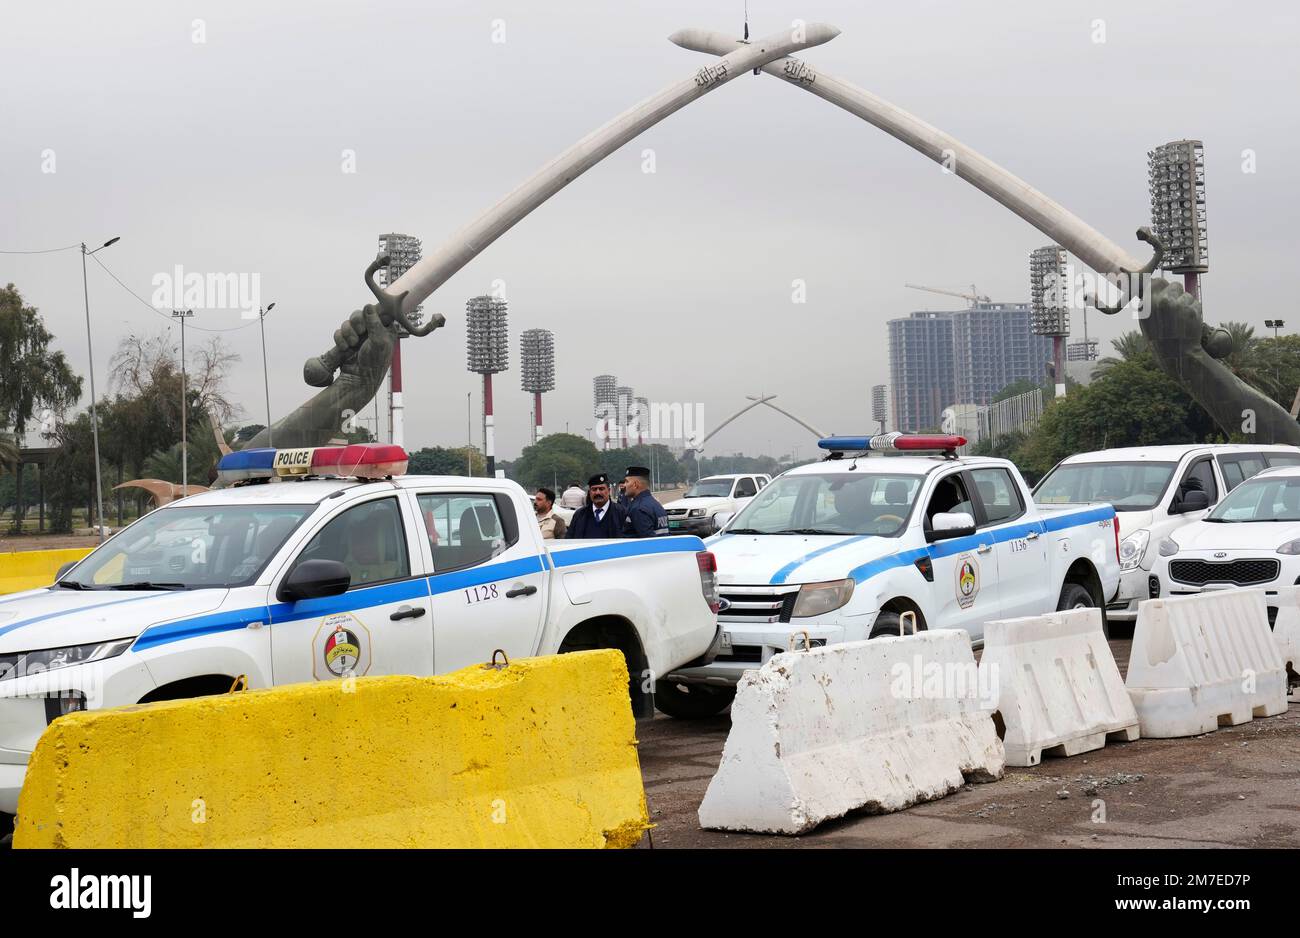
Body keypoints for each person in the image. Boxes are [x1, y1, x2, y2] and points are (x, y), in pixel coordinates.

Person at [566, 473, 624, 538]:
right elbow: (569, 539)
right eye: (594, 489)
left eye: (601, 489)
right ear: (589, 492)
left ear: (609, 490)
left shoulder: (621, 512)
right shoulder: (579, 514)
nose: (597, 492)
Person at [622, 465, 668, 538]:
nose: (624, 485)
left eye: (626, 482)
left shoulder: (638, 508)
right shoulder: (656, 505)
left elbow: (648, 542)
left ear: (635, 485)